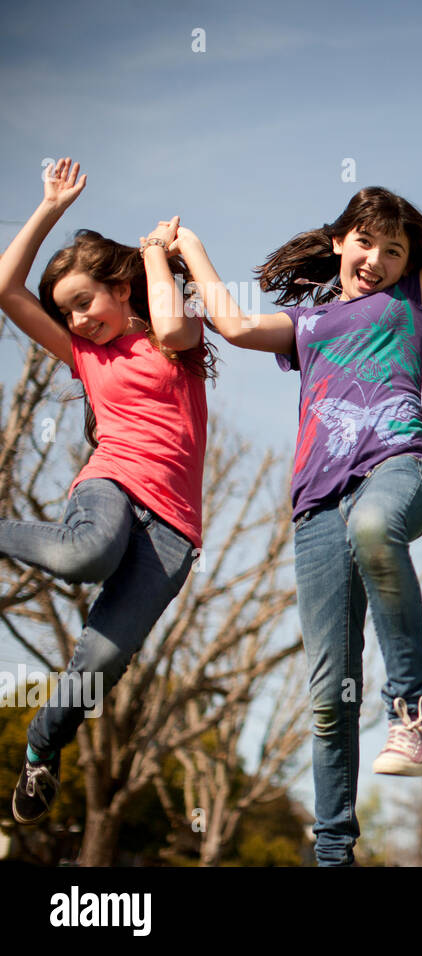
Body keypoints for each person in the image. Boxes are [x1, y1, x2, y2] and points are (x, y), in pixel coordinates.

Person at [177, 149, 422, 865]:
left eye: (394, 250)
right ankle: (332, 855)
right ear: (338, 242)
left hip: (399, 468)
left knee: (377, 527)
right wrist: (192, 249)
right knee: (328, 694)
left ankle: (410, 713)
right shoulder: (308, 324)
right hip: (316, 504)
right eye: (365, 243)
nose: (377, 259)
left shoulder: (415, 301)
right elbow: (229, 325)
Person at [0, 158, 214, 825]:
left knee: (101, 664)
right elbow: (6, 291)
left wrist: (152, 253)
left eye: (85, 301)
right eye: (66, 311)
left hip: (175, 528)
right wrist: (49, 209)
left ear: (121, 287)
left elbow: (175, 327)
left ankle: (41, 751)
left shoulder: (174, 341)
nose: (78, 320)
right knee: (84, 553)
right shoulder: (84, 357)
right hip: (111, 484)